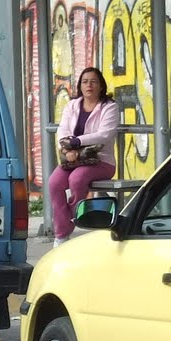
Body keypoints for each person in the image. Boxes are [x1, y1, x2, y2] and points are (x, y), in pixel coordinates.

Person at [48, 66, 119, 246]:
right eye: (85, 82)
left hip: (101, 160)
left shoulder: (109, 107)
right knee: (54, 182)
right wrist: (66, 149)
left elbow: (105, 134)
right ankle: (62, 234)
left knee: (77, 179)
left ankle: (68, 222)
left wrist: (77, 142)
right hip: (73, 159)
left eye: (94, 82)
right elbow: (62, 130)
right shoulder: (72, 105)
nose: (89, 85)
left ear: (101, 86)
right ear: (80, 86)